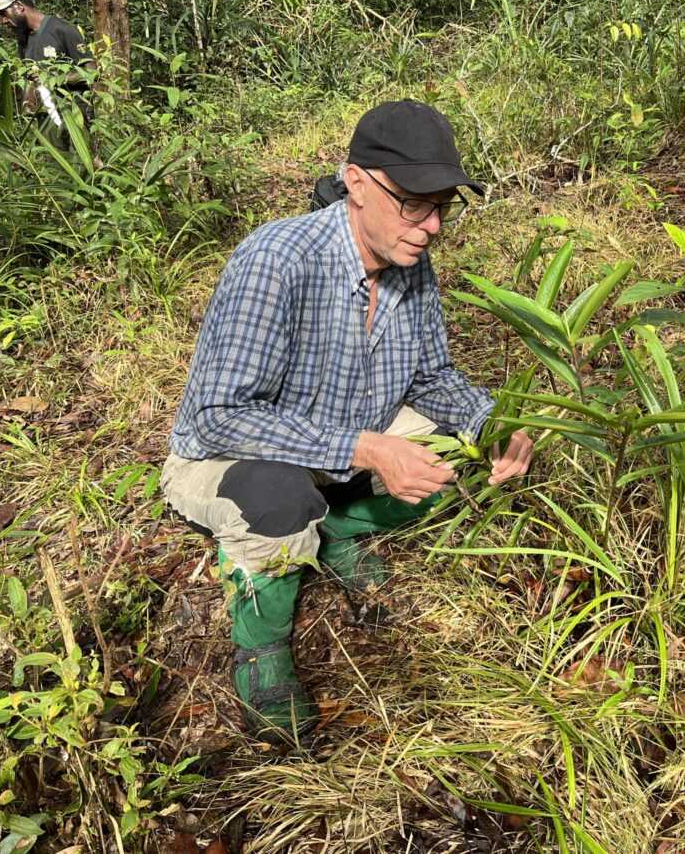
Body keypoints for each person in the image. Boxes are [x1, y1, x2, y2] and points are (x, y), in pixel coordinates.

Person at [161, 100, 534, 741]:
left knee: (458, 455)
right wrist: (365, 448)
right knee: (278, 496)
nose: (433, 225)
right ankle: (261, 649)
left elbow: (430, 376)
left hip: (340, 441)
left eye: (443, 204)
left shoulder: (410, 264)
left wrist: (490, 424)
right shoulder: (278, 260)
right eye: (414, 203)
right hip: (226, 457)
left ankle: (333, 530)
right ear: (356, 182)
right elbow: (221, 416)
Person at [0, 0, 94, 128]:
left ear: (19, 6)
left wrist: (55, 78)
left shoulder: (62, 30)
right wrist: (27, 101)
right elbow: (31, 79)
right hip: (46, 125)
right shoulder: (23, 40)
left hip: (75, 122)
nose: (2, 21)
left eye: (3, 14)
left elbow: (91, 72)